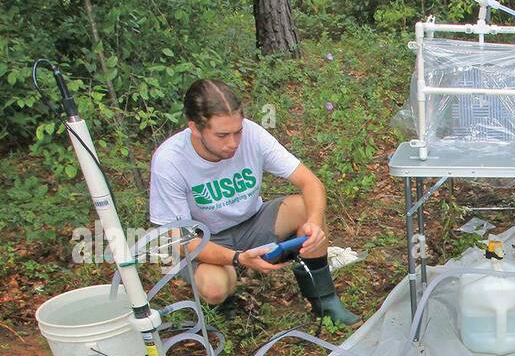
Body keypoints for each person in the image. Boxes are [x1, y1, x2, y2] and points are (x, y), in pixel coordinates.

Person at [148, 78, 358, 325]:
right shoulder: (170, 160)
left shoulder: (253, 134)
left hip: (252, 221)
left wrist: (314, 223)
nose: (233, 143)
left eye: (238, 132)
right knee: (215, 288)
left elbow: (310, 182)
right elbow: (181, 240)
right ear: (195, 128)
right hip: (205, 238)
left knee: (307, 208)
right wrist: (237, 258)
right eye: (222, 135)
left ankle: (324, 299)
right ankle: (228, 301)